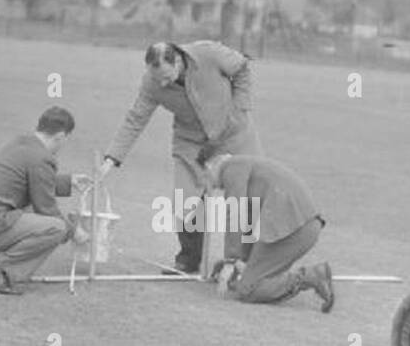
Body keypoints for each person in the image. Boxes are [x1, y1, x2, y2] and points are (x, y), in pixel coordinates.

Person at [98, 40, 262, 273]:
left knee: (244, 199)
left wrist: (239, 108)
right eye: (157, 79)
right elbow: (136, 118)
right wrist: (111, 159)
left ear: (177, 61)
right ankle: (189, 259)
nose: (162, 83)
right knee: (186, 200)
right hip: (190, 141)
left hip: (234, 134)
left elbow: (242, 67)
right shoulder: (152, 83)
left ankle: (247, 261)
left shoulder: (208, 53)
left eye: (166, 77)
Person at [0, 107, 91, 295]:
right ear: (61, 136)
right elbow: (46, 208)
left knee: (34, 215)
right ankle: (0, 268)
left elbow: (31, 180)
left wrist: (68, 182)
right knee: (56, 227)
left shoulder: (21, 143)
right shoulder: (42, 158)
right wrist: (75, 232)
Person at [199, 145, 335, 312]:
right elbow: (248, 219)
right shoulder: (246, 166)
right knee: (249, 280)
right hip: (303, 226)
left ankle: (311, 276)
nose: (207, 184)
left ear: (210, 165)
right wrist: (241, 261)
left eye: (204, 176)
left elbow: (235, 213)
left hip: (293, 229)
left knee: (248, 289)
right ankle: (308, 276)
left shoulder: (231, 168)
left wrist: (231, 261)